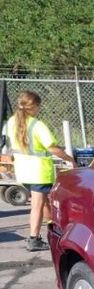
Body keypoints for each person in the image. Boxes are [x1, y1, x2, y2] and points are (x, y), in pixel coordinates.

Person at [2, 91, 74, 251]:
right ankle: (34, 238)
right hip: (39, 172)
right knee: (37, 205)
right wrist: (69, 159)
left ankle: (56, 229)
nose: (39, 109)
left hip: (23, 171)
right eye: (38, 106)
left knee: (43, 203)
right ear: (33, 106)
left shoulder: (12, 122)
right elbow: (52, 148)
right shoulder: (37, 125)